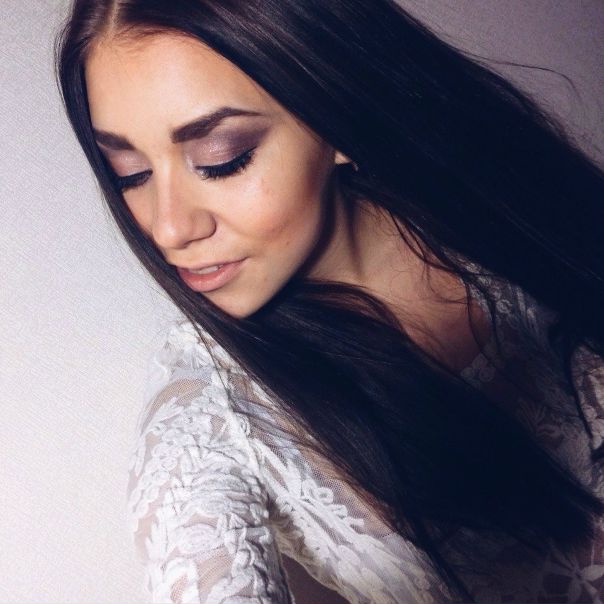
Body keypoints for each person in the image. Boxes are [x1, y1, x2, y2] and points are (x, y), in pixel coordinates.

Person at [55, 1, 604, 602]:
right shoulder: (208, 418)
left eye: (221, 159)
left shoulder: (507, 209)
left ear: (334, 115)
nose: (168, 228)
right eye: (130, 171)